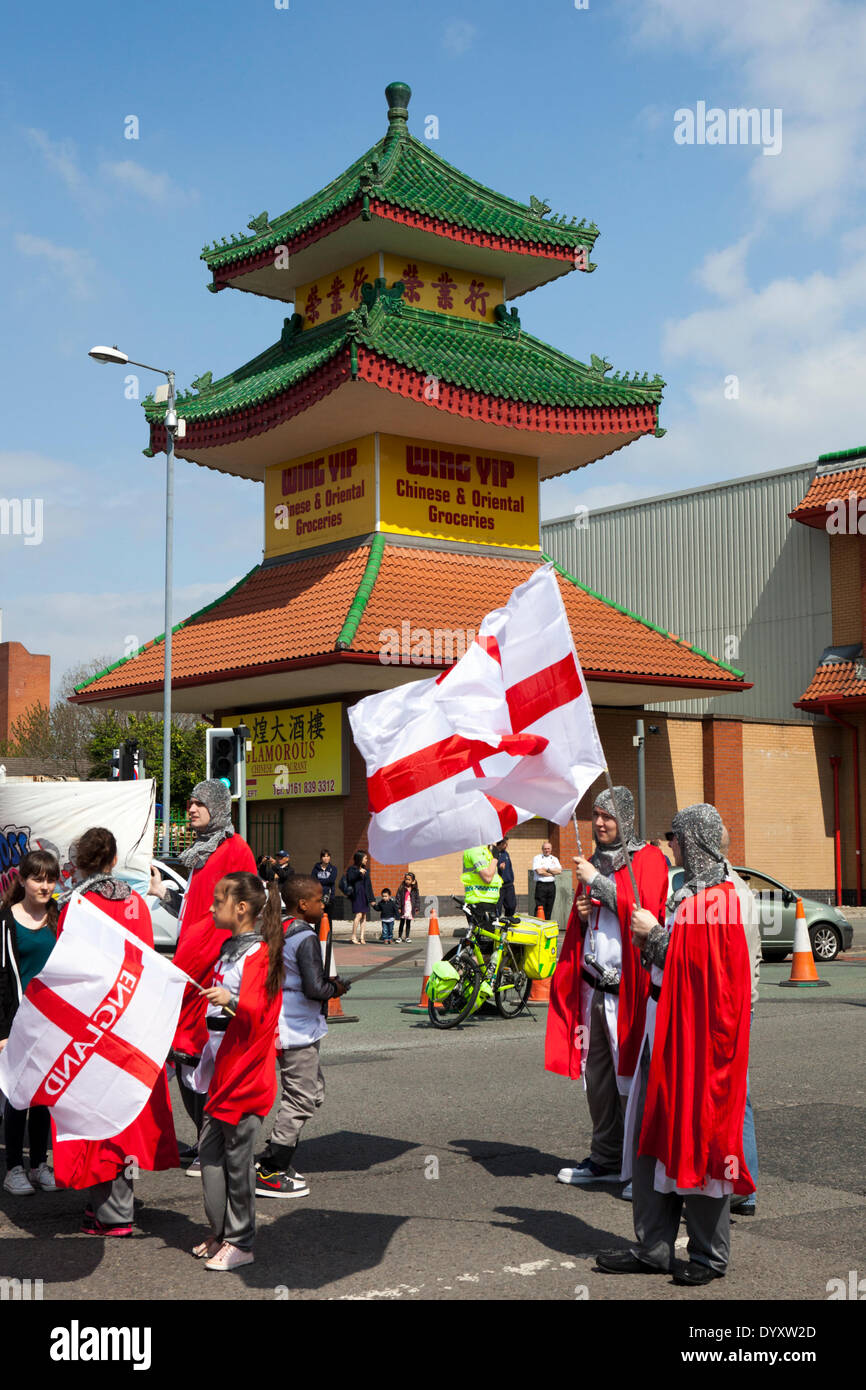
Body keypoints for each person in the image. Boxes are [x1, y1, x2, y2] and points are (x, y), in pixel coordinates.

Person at [596, 803, 753, 1286]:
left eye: (678, 837)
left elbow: (714, 973)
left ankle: (708, 1255)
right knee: (652, 1131)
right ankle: (654, 1246)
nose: (673, 845)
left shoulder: (725, 897)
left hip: (699, 1038)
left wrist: (657, 936)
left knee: (701, 1135)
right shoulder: (687, 893)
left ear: (695, 841)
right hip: (660, 1025)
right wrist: (654, 938)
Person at [51, 827, 179, 1235]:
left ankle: (112, 1212)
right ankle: (115, 1204)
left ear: (81, 860)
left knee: (93, 1116)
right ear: (112, 859)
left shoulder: (79, 905)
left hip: (93, 1025)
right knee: (125, 1113)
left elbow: (67, 970)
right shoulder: (135, 902)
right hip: (130, 1021)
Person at [546, 787, 669, 1187]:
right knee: (596, 1078)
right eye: (596, 815)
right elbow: (593, 921)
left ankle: (640, 1167)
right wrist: (580, 915)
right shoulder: (594, 863)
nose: (600, 823)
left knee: (631, 1080)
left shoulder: (649, 860)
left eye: (608, 816)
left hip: (630, 990)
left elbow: (643, 912)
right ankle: (606, 1157)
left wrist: (596, 883)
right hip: (593, 989)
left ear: (627, 819)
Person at [148, 780, 257, 1160]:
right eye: (190, 802)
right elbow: (196, 913)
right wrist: (164, 893)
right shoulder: (201, 853)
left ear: (218, 808)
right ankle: (206, 1141)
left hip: (212, 973)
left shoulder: (234, 850)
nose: (192, 809)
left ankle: (219, 1146)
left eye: (200, 803)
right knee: (184, 1056)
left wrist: (190, 965)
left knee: (204, 1059)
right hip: (190, 970)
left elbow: (234, 917)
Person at [188, 871, 284, 1271]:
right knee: (209, 1154)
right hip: (222, 1067)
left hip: (245, 1072)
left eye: (218, 900)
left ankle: (241, 1241)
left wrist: (230, 1000)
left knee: (237, 1161)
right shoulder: (230, 948)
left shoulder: (259, 953)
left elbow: (261, 1014)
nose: (211, 907)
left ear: (241, 908)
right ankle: (223, 1231)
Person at [255, 876, 350, 1199]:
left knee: (311, 1091)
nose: (324, 904)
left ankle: (276, 1151)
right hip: (296, 1027)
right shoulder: (305, 935)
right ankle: (271, 1168)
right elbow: (314, 989)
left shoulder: (276, 926)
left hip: (279, 1023)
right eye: (320, 899)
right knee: (301, 1098)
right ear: (302, 905)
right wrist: (335, 988)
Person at [0, 848, 61, 1196]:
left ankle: (39, 1164)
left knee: (44, 1097)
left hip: (53, 1022)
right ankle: (13, 1169)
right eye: (38, 878)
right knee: (17, 1096)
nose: (45, 885)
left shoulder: (59, 916)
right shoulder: (6, 921)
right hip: (18, 1023)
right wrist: (3, 1032)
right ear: (22, 879)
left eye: (51, 879)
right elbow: (0, 978)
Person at [721, 825, 761, 1217]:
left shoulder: (727, 892)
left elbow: (739, 960)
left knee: (736, 1100)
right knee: (736, 1099)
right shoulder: (734, 889)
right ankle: (737, 1187)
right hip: (738, 1008)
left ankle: (741, 1188)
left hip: (729, 1011)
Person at [344, 851, 374, 945]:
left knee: (364, 915)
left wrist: (372, 899)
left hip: (364, 895)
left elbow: (369, 885)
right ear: (360, 859)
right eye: (365, 858)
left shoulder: (366, 870)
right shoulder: (352, 869)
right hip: (356, 895)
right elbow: (350, 879)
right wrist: (358, 872)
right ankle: (353, 936)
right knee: (358, 915)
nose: (366, 860)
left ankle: (361, 937)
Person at [461, 846, 501, 912]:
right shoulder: (475, 850)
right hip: (480, 901)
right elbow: (487, 878)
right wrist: (495, 858)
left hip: (487, 900)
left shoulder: (485, 851)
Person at [532, 840, 562, 920]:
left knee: (549, 907)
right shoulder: (537, 858)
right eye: (545, 848)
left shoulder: (554, 859)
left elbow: (559, 871)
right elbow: (539, 871)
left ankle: (546, 926)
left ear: (551, 849)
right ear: (542, 849)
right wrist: (552, 873)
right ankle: (538, 925)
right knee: (540, 907)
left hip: (551, 886)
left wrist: (547, 869)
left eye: (548, 848)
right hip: (541, 886)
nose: (547, 850)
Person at [396, 872, 420, 943]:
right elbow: (398, 898)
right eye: (406, 879)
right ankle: (399, 937)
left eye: (409, 879)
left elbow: (417, 899)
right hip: (404, 907)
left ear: (413, 881)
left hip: (410, 907)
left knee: (408, 923)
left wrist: (417, 907)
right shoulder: (401, 888)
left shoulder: (415, 889)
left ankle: (407, 937)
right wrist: (399, 907)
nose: (407, 881)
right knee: (402, 922)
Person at [494, 839, 516, 918]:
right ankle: (496, 922)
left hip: (509, 884)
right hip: (499, 886)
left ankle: (509, 920)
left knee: (511, 906)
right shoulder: (493, 853)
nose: (506, 845)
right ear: (501, 843)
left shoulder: (506, 853)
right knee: (497, 908)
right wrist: (499, 867)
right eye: (505, 844)